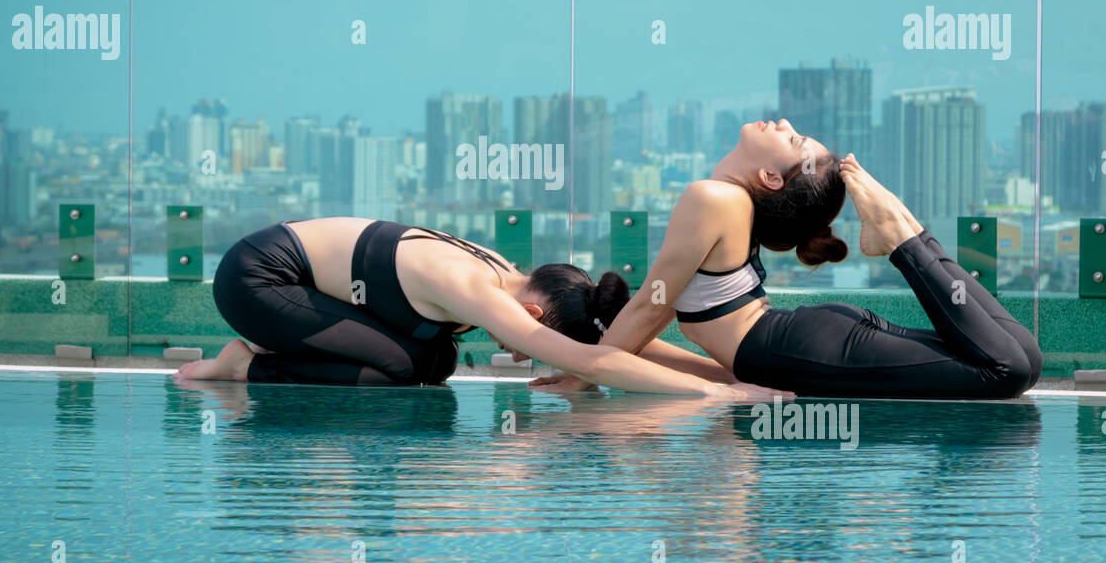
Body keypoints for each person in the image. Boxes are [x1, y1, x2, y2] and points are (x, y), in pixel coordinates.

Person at [531, 119, 1042, 399]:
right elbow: (655, 310)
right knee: (1020, 356)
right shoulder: (732, 205)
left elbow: (648, 307)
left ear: (772, 179)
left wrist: (586, 371)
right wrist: (608, 360)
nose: (783, 123)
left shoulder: (713, 198)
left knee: (1006, 366)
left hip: (797, 347)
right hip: (802, 340)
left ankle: (901, 237)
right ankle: (906, 232)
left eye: (792, 139)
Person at [175, 216, 789, 398]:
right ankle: (243, 367)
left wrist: (731, 368)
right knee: (409, 368)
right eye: (530, 342)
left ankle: (259, 359)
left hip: (297, 284)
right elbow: (597, 361)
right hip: (257, 278)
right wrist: (727, 397)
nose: (515, 350)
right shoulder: (478, 291)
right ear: (539, 318)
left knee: (432, 359)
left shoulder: (512, 279)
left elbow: (609, 342)